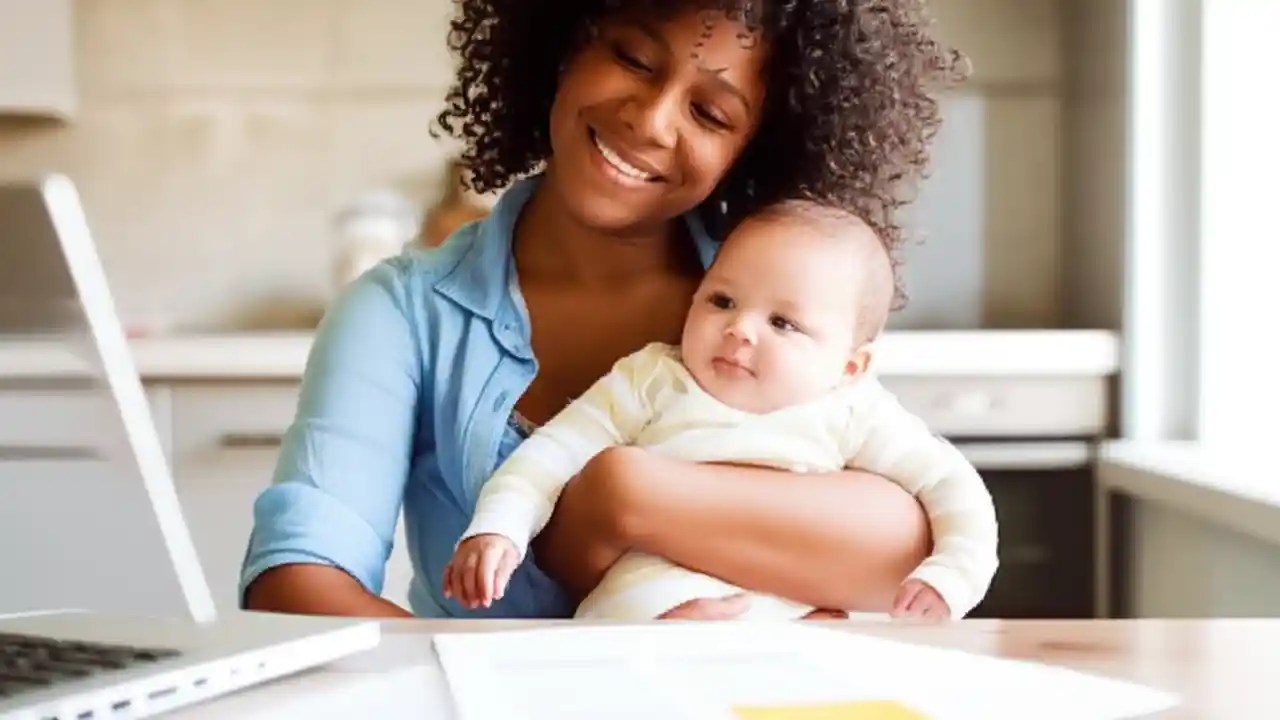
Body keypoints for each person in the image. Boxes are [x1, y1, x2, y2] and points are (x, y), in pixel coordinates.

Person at [240, 0, 968, 620]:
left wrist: (628, 496)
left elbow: (903, 547)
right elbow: (294, 581)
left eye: (710, 112)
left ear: (756, 149)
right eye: (633, 58)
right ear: (563, 43)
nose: (651, 120)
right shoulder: (402, 314)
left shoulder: (774, 312)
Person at [443, 201, 999, 621]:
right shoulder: (653, 379)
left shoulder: (854, 410)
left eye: (783, 323)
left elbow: (953, 486)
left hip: (789, 643)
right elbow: (549, 455)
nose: (738, 329)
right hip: (637, 636)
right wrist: (498, 528)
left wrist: (952, 576)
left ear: (850, 366)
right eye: (722, 300)